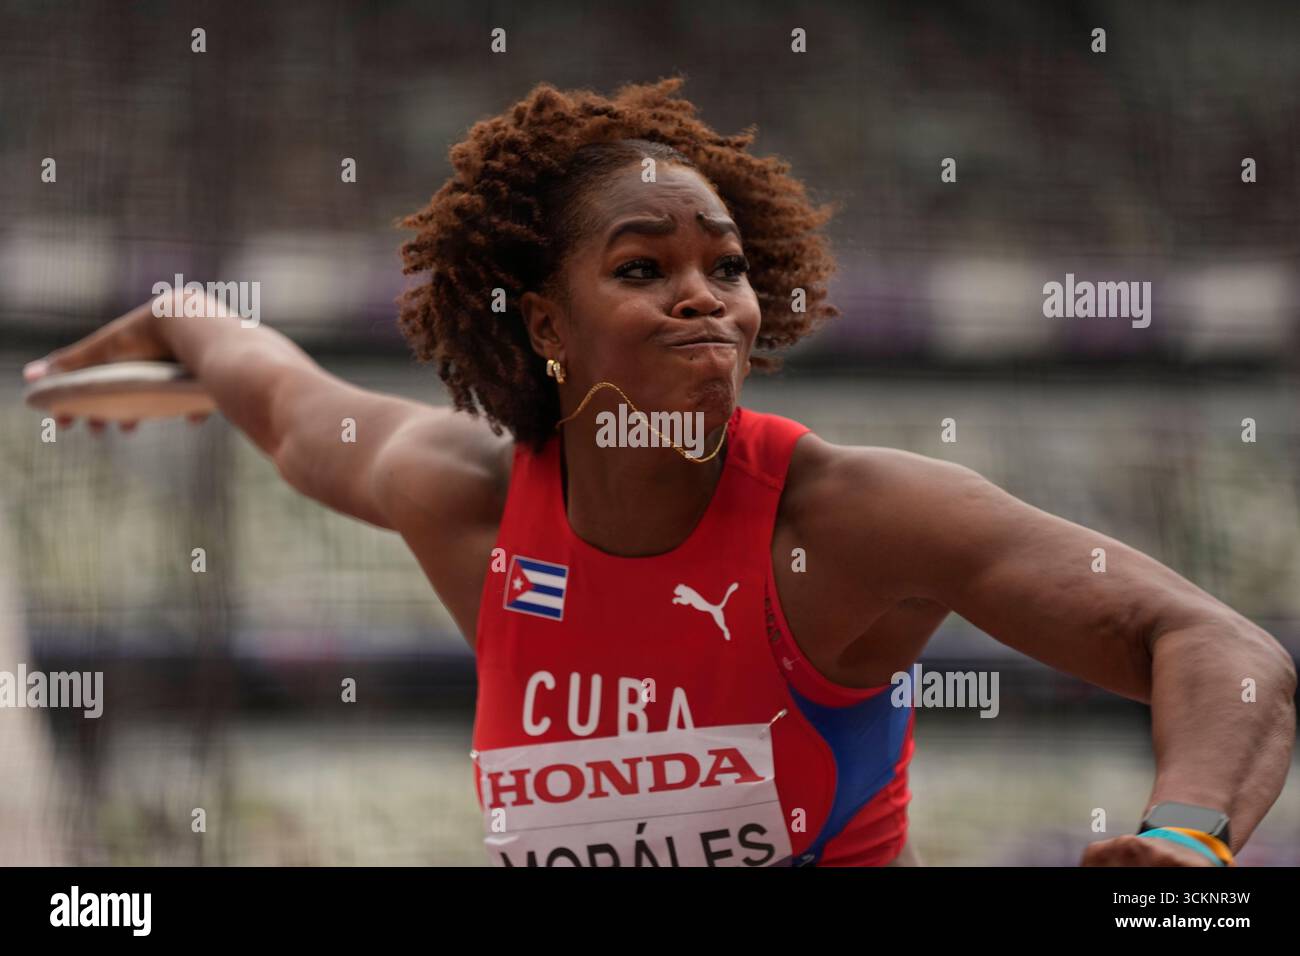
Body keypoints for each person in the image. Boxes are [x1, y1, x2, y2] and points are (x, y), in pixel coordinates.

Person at [23, 78, 1295, 867]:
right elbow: (286, 399)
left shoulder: (853, 517)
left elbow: (1209, 639)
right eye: (643, 269)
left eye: (728, 267)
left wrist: (1185, 837)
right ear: (542, 323)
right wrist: (182, 317)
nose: (706, 300)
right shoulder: (458, 491)